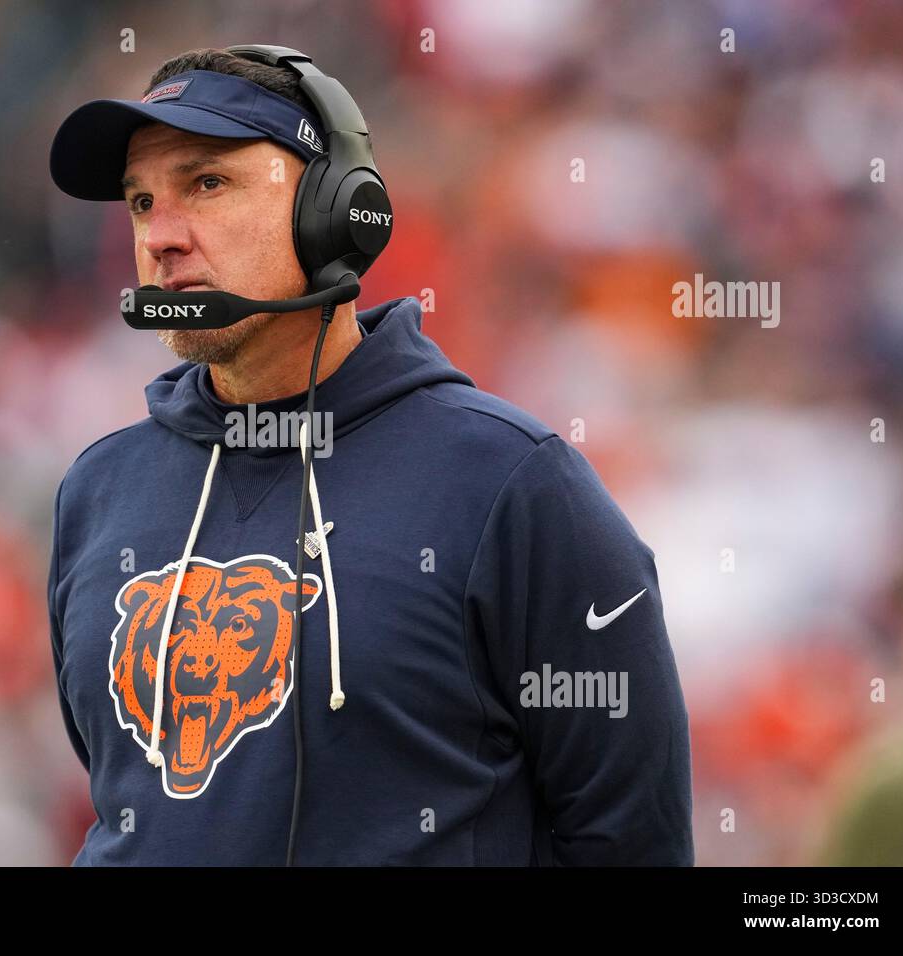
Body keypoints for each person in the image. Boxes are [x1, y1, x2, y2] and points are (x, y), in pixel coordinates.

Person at [45, 46, 694, 865]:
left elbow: (631, 840)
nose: (162, 237)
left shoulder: (513, 484)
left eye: (207, 184)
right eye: (141, 202)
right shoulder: (99, 490)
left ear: (336, 209)